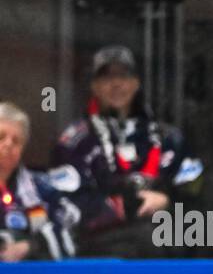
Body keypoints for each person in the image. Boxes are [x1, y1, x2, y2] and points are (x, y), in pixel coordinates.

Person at [51, 45, 204, 258]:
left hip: (167, 242)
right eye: (107, 77)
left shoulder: (169, 138)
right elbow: (64, 202)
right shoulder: (76, 141)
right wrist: (123, 206)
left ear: (136, 83)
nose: (116, 84)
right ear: (94, 85)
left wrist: (166, 200)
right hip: (101, 249)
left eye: (123, 76)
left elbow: (197, 192)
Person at [0, 102, 81, 261]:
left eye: (16, 141)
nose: (8, 145)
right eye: (1, 137)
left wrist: (29, 247)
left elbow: (71, 229)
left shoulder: (41, 188)